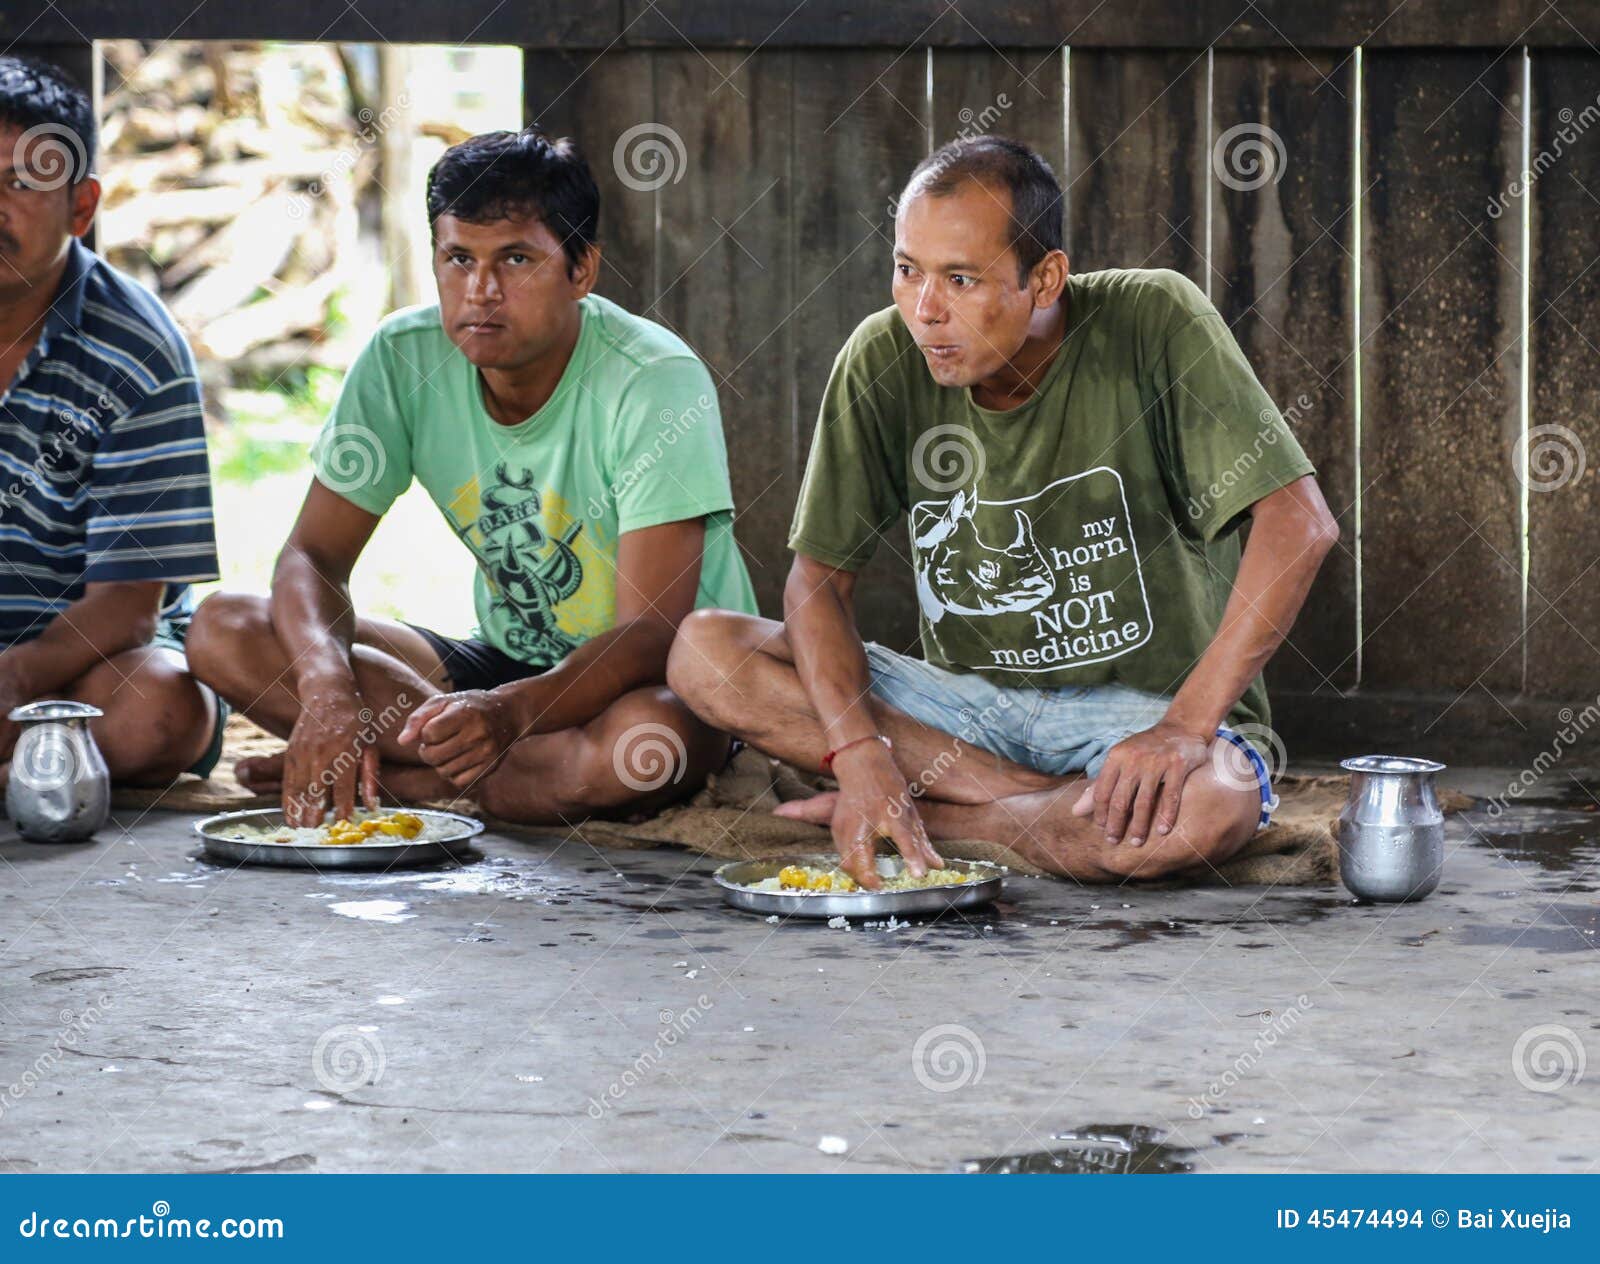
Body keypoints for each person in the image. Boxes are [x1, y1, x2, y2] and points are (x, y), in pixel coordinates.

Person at [668, 136, 1340, 888]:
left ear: (1046, 277)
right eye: (906, 271)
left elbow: (1301, 524)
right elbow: (817, 582)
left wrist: (1184, 728)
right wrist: (858, 753)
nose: (926, 310)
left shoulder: (1153, 319)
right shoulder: (879, 359)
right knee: (704, 652)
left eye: (960, 279)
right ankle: (1034, 809)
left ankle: (947, 822)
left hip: (1141, 718)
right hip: (959, 719)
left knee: (1212, 805)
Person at [188, 129, 756, 827]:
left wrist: (511, 714)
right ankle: (489, 773)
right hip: (501, 663)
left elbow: (648, 632)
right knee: (224, 626)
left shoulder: (652, 382)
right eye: (458, 259)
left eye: (516, 259)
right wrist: (327, 689)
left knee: (647, 746)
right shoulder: (403, 356)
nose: (481, 291)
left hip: (651, 677)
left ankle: (411, 780)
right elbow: (313, 555)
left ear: (582, 270)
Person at [0, 55, 223, 790]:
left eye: (21, 183)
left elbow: (126, 612)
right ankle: (37, 775)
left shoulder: (137, 349)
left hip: (78, 664)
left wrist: (12, 681)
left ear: (81, 207)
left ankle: (34, 758)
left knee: (157, 710)